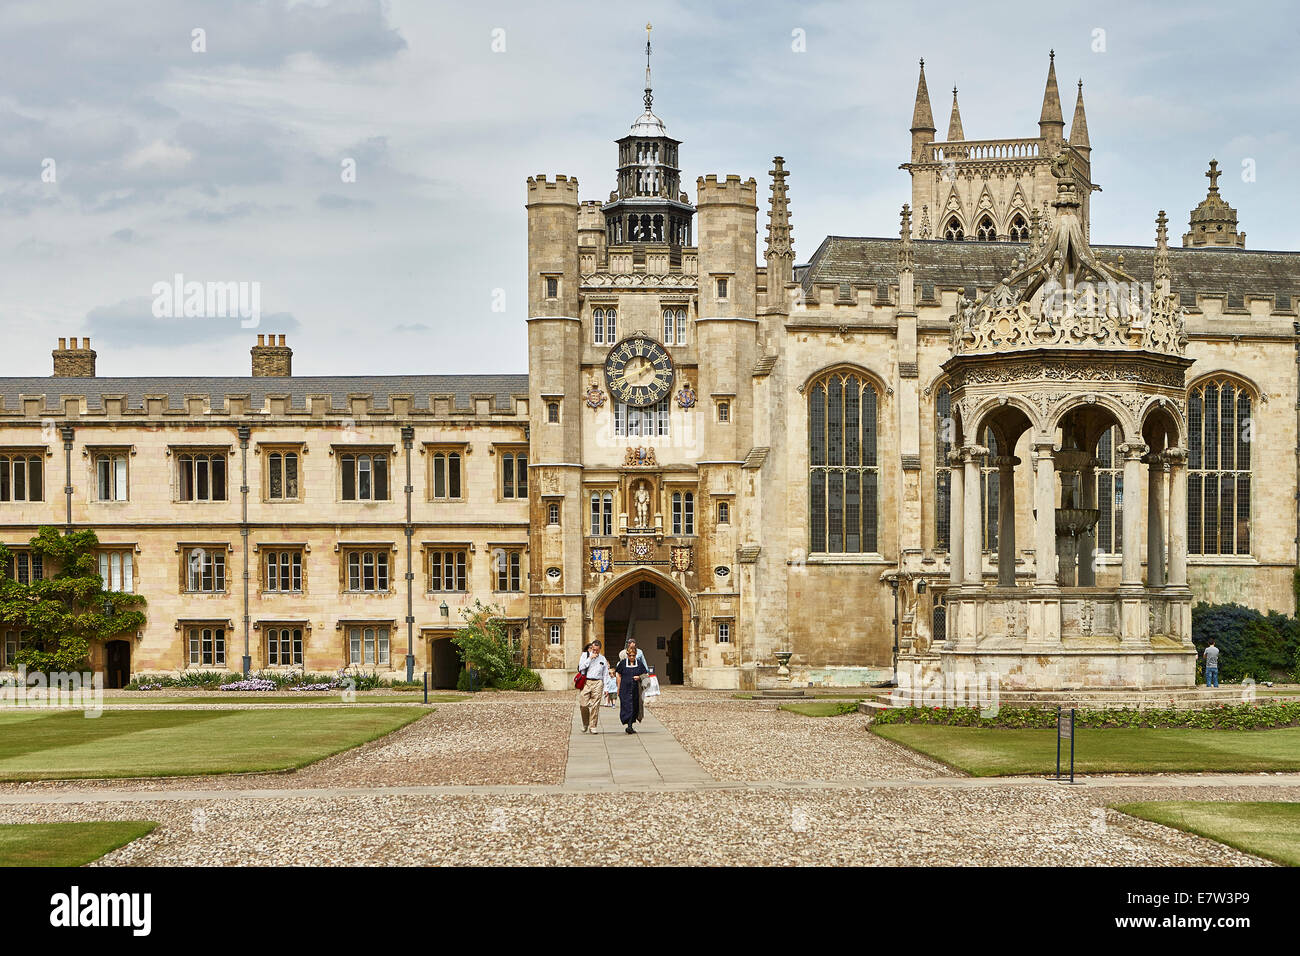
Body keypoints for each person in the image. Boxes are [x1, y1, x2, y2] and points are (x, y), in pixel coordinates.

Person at [614, 639, 649, 734]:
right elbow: (618, 674)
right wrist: (618, 687)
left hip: (636, 690)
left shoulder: (639, 664)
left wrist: (639, 677)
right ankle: (628, 724)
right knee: (626, 706)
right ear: (627, 655)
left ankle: (630, 725)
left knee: (634, 706)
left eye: (633, 655)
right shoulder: (622, 664)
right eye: (630, 655)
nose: (632, 657)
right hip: (625, 689)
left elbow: (645, 674)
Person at [576, 640, 609, 734]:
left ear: (600, 649)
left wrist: (606, 688)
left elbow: (605, 674)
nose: (595, 651)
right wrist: (590, 658)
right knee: (583, 704)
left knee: (595, 705)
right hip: (586, 681)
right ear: (591, 648)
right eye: (593, 649)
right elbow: (581, 667)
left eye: (597, 650)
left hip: (598, 682)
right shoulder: (585, 656)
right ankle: (585, 723)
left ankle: (593, 726)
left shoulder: (602, 659)